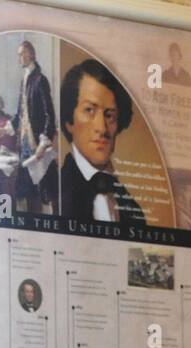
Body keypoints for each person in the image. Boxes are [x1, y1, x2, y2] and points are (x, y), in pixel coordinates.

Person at [59, 59, 147, 225]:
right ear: (69, 121)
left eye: (109, 115)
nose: (102, 128)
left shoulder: (133, 209)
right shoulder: (56, 193)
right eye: (89, 110)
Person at [14, 41, 56, 212]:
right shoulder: (24, 79)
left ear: (32, 54)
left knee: (40, 189)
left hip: (36, 145)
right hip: (24, 142)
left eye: (23, 53)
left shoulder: (40, 80)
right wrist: (8, 128)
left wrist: (43, 144)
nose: (20, 57)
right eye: (19, 54)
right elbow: (20, 113)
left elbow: (50, 115)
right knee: (26, 189)